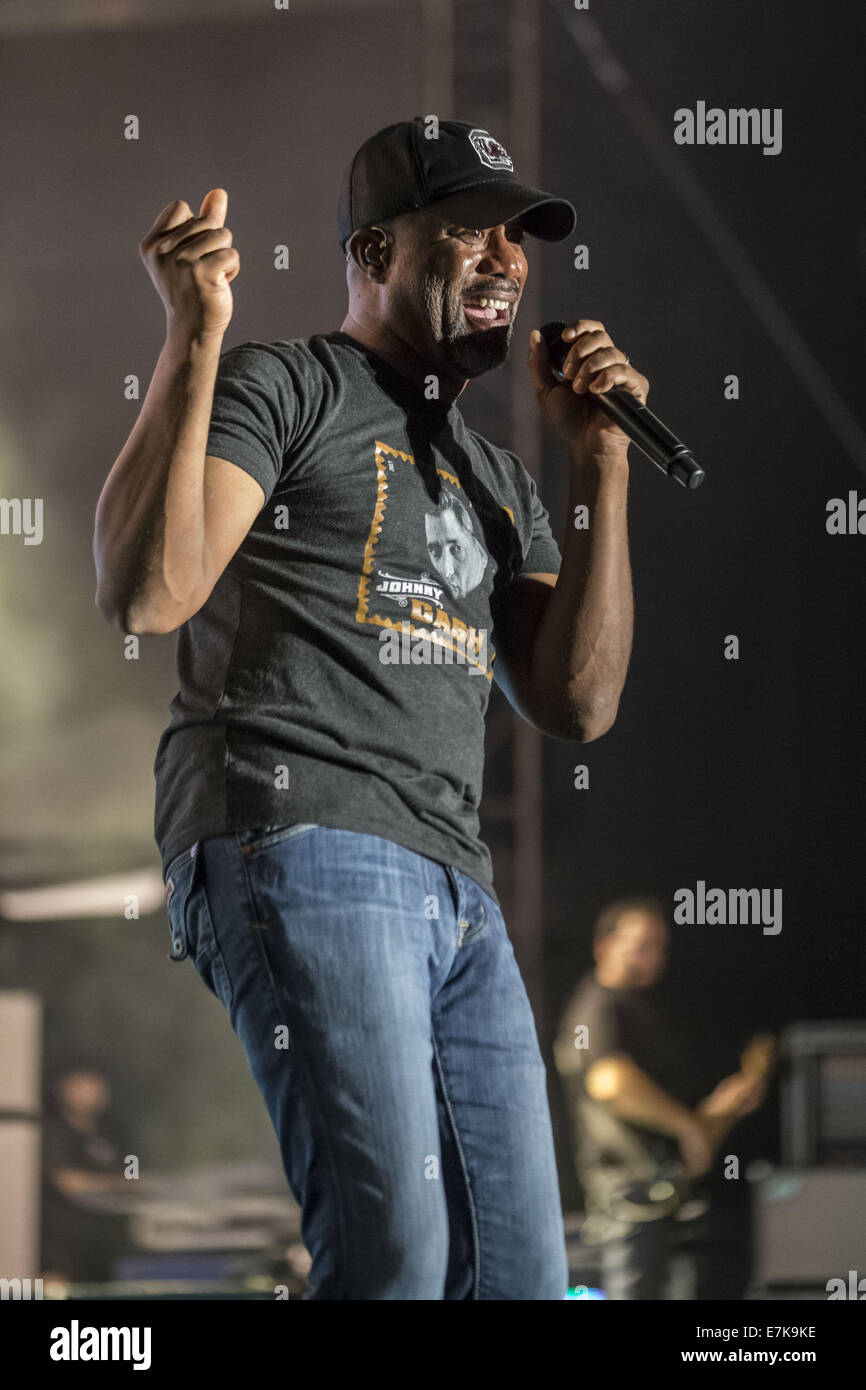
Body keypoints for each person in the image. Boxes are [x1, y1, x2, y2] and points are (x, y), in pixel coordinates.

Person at [93, 117, 645, 1300]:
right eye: (470, 232)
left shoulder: (498, 480)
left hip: (456, 889)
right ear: (375, 249)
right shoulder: (285, 386)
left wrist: (597, 463)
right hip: (301, 831)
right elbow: (149, 591)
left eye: (518, 237)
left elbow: (577, 703)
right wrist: (195, 336)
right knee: (393, 1256)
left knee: (519, 1282)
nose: (505, 257)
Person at [554, 898, 772, 1300]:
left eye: (659, 945)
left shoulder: (649, 1004)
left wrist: (717, 1111)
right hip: (632, 1195)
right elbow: (611, 1082)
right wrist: (688, 1125)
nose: (653, 956)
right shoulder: (597, 1006)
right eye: (641, 944)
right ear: (604, 945)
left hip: (668, 1192)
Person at [40, 1067, 130, 1283]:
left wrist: (131, 1180)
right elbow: (70, 1183)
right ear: (62, 1089)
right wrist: (119, 1185)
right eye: (81, 1084)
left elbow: (132, 1169)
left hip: (102, 1248)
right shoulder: (54, 1132)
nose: (90, 1091)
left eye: (95, 1084)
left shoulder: (112, 1133)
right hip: (60, 1248)